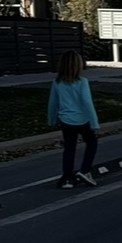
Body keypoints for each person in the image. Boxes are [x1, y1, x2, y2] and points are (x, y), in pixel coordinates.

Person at [47, 50, 99, 189]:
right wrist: (94, 122)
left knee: (69, 148)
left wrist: (51, 119)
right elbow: (87, 102)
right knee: (92, 143)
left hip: (66, 120)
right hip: (83, 119)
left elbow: (53, 103)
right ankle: (85, 170)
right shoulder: (82, 82)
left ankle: (67, 178)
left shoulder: (57, 82)